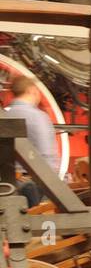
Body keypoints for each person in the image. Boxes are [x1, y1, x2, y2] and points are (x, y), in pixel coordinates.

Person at [4, 75, 60, 207]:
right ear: (31, 90)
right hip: (35, 188)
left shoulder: (5, 115)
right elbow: (47, 155)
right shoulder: (37, 117)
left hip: (8, 187)